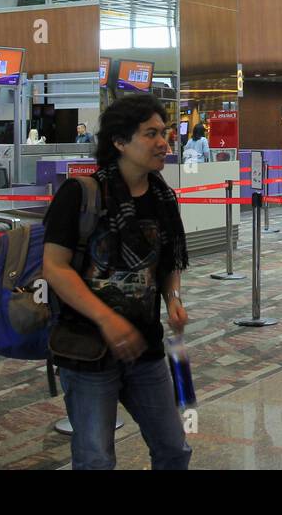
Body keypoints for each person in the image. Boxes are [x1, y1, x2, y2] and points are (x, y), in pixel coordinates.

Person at [42, 94, 192, 469]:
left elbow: (168, 261)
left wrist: (172, 297)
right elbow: (55, 268)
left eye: (165, 133)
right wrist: (107, 318)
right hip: (87, 349)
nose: (163, 142)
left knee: (174, 449)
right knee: (96, 458)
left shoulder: (163, 197)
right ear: (120, 142)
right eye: (150, 134)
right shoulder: (80, 194)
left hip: (145, 347)